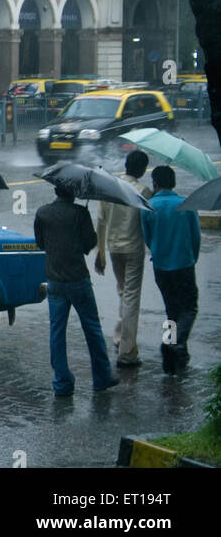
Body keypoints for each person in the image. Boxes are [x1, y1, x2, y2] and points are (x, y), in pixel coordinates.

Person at [33, 183, 117, 395]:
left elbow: (41, 243)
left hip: (54, 280)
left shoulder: (42, 213)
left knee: (57, 332)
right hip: (78, 279)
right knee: (92, 329)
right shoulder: (80, 213)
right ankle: (102, 377)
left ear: (56, 191)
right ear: (74, 193)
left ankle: (61, 383)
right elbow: (89, 244)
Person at [140, 165, 201, 374]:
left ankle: (172, 353)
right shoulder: (186, 205)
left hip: (161, 267)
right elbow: (196, 237)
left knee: (172, 310)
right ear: (173, 182)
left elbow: (147, 238)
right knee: (190, 308)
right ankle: (175, 345)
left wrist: (159, 252)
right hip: (184, 264)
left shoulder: (148, 206)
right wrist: (192, 257)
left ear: (155, 184)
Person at [94, 150, 150, 368]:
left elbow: (100, 222)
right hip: (134, 249)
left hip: (114, 248)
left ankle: (119, 336)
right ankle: (127, 352)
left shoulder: (111, 188)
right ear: (142, 170)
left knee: (123, 292)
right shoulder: (144, 190)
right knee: (131, 297)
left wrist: (100, 254)